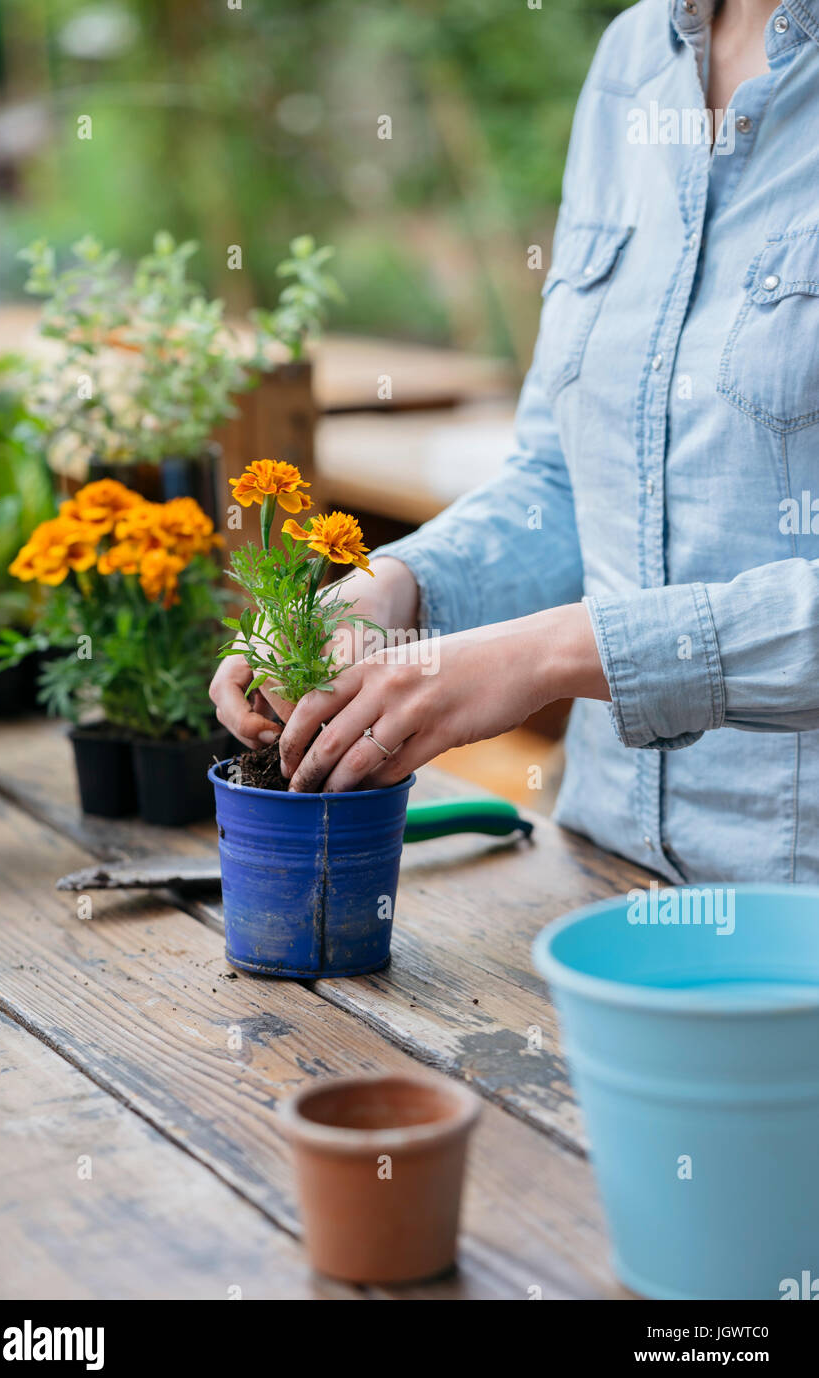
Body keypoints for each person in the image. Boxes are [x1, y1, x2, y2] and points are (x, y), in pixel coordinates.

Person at [212, 0, 819, 883]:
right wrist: (397, 590)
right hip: (602, 878)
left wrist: (552, 654)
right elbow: (573, 484)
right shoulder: (632, 58)